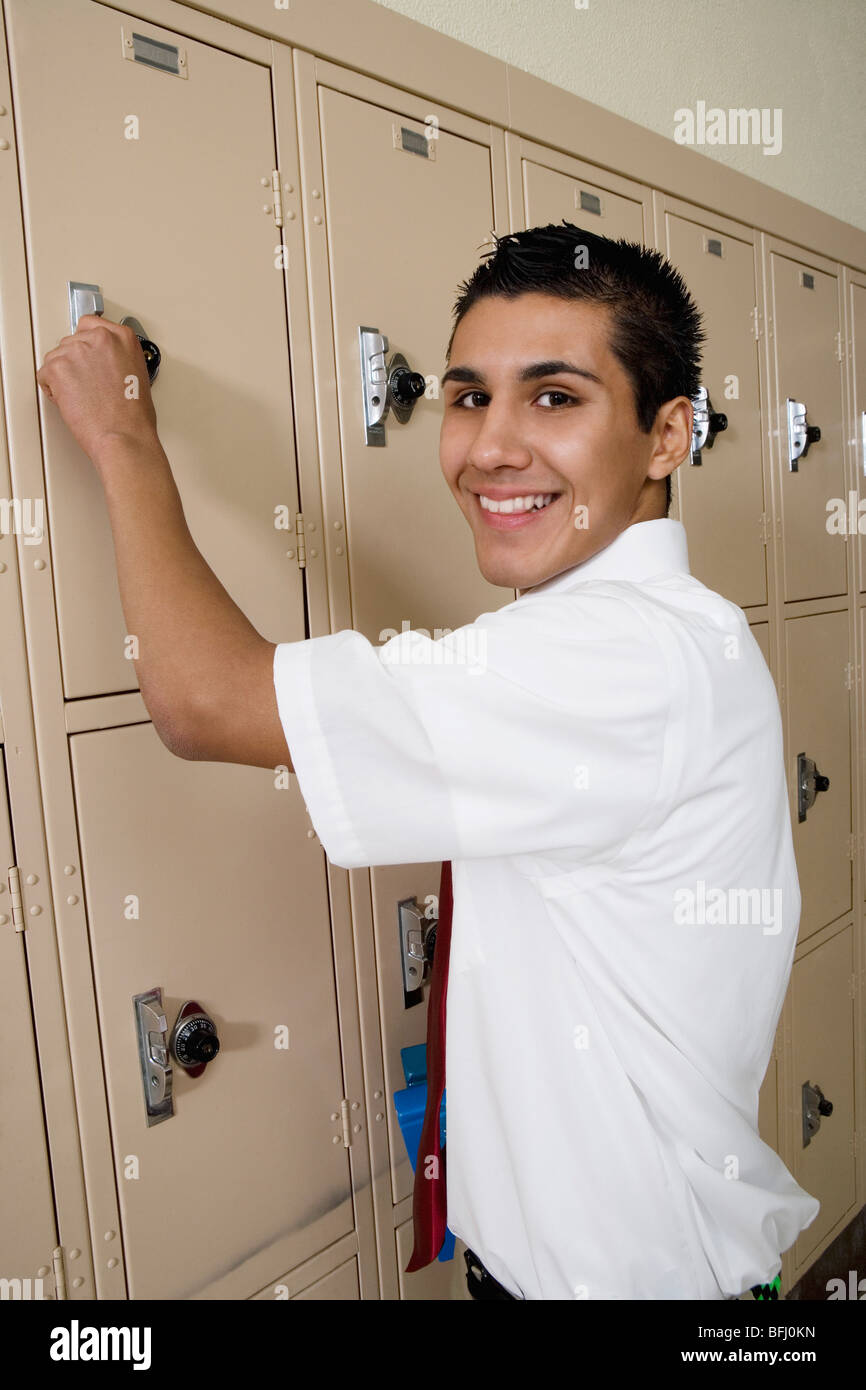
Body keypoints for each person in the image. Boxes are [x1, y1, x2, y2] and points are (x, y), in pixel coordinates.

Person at [37, 222, 819, 1300]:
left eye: (554, 397)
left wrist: (123, 440)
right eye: (465, 396)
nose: (491, 446)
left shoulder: (614, 658)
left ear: (665, 435)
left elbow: (201, 700)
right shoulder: (670, 631)